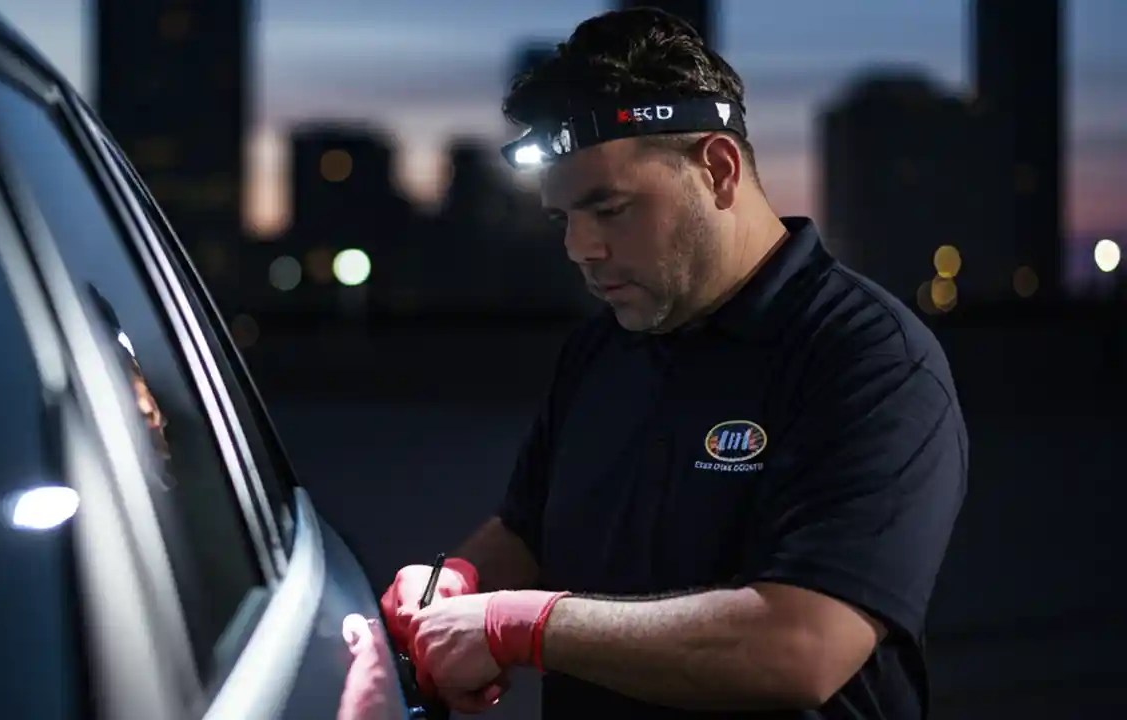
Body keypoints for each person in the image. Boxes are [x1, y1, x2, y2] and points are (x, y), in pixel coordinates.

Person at [380, 8, 968, 719]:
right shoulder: (599, 351)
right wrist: (459, 583)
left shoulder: (870, 361)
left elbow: (802, 645)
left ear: (717, 170)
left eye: (610, 208)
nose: (580, 248)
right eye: (564, 217)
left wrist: (522, 627)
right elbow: (526, 532)